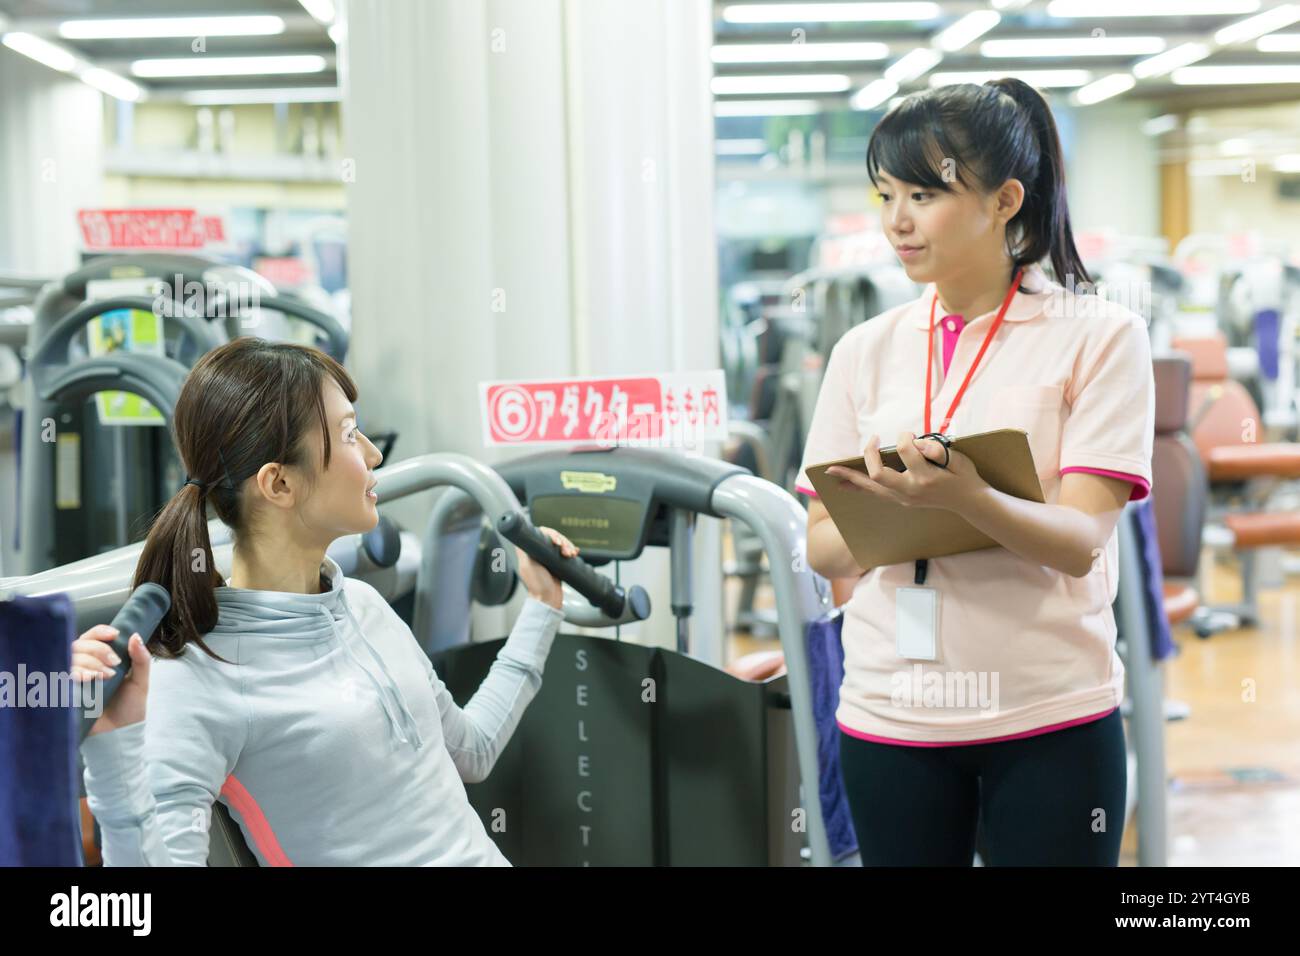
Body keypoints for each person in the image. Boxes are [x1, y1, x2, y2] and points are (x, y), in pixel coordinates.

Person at [797, 79, 1155, 866]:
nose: (897, 220)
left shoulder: (1099, 337)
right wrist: (892, 516)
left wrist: (967, 498)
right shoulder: (866, 349)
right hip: (892, 710)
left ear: (1005, 201)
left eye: (924, 193)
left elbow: (1078, 542)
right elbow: (823, 551)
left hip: (1049, 708)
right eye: (886, 193)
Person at [72, 337, 577, 866]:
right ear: (281, 483)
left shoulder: (363, 607)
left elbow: (471, 751)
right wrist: (115, 747)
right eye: (350, 434)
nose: (374, 455)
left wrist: (542, 606)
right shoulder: (200, 676)